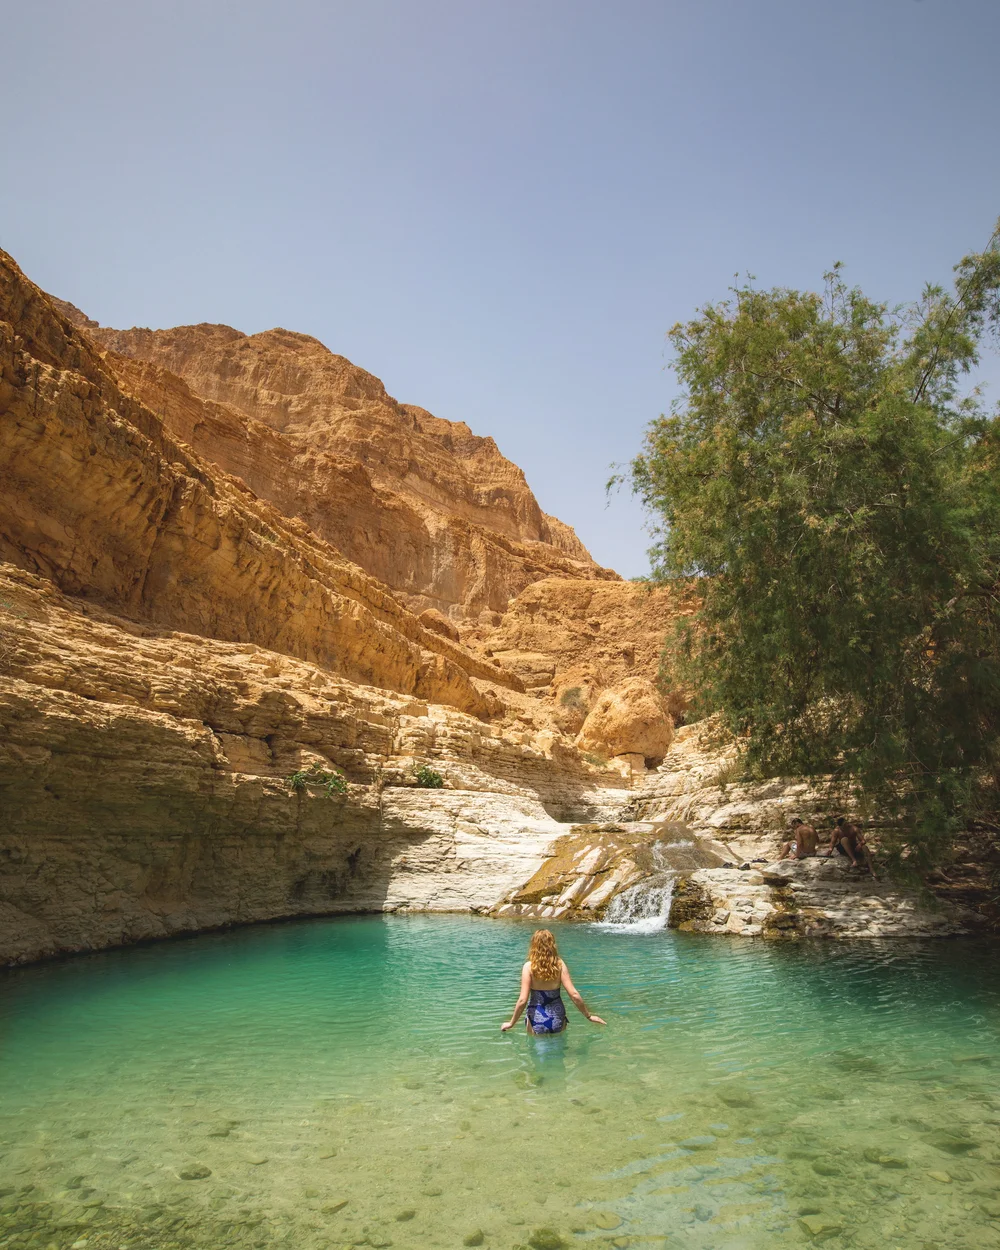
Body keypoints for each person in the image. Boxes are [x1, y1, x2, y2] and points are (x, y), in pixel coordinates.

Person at [500, 929, 606, 1035]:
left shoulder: (528, 967)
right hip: (557, 1016)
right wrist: (589, 1016)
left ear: (534, 946)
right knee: (559, 1048)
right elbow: (574, 994)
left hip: (536, 1017)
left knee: (536, 1050)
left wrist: (511, 1023)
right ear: (552, 945)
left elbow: (523, 1000)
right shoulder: (559, 965)